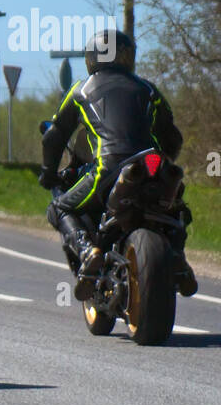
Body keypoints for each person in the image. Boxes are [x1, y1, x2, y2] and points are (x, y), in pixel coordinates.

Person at [39, 28, 196, 298]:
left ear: (92, 58)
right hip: (152, 167)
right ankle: (177, 258)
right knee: (178, 210)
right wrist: (164, 162)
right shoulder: (148, 90)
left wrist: (48, 173)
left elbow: (53, 136)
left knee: (58, 207)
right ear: (128, 58)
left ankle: (89, 251)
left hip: (107, 170)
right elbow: (172, 137)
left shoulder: (81, 90)